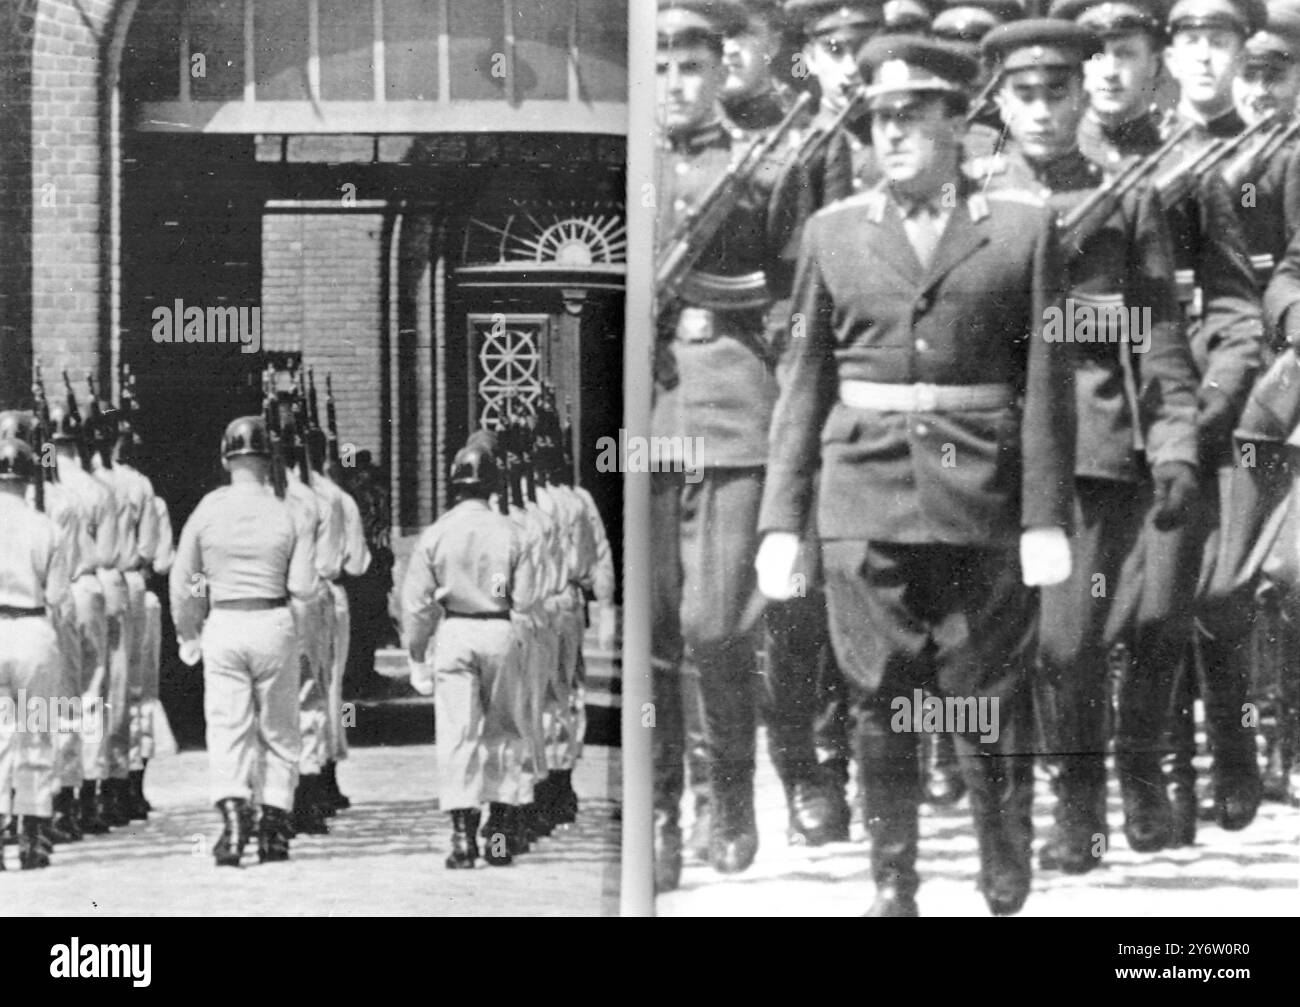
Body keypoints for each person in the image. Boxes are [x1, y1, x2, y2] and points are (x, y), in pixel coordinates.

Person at [755, 34, 1076, 916]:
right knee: (880, 700)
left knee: (988, 699)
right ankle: (892, 886)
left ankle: (1003, 868)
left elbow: (1047, 378)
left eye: (911, 116)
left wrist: (1046, 515)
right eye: (878, 119)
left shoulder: (1021, 228)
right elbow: (804, 379)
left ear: (960, 123)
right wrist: (783, 521)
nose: (891, 134)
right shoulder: (831, 233)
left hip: (984, 495)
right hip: (862, 494)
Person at [978, 15, 1201, 870]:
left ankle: (1082, 806)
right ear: (1000, 100)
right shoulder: (969, 198)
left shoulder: (1128, 197)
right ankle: (1011, 821)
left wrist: (1175, 442)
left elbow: (1158, 335)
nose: (1041, 110)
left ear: (1081, 96)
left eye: (1057, 92)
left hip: (1088, 449)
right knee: (997, 652)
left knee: (1070, 646)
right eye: (1024, 94)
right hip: (985, 454)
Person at [652, 0, 816, 892]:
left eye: (690, 65)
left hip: (726, 413)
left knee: (716, 627)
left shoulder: (764, 168)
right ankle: (663, 811)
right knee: (648, 638)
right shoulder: (615, 169)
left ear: (722, 68)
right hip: (639, 421)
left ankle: (730, 788)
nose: (674, 83)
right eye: (658, 65)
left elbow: (798, 304)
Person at [169, 416, 315, 867]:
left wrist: (190, 629)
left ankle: (233, 823)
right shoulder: (292, 510)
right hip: (273, 618)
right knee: (278, 729)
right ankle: (273, 827)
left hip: (226, 620)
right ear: (269, 457)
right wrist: (302, 642)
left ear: (225, 458)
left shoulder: (208, 509)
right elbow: (304, 586)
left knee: (228, 726)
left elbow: (186, 578)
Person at [401, 442, 534, 869]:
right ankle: (499, 830)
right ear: (493, 485)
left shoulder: (436, 533)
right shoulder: (512, 531)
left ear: (454, 486)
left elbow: (417, 603)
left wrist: (417, 653)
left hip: (455, 629)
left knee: (458, 733)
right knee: (504, 730)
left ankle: (462, 837)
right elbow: (527, 597)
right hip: (499, 626)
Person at [0, 436, 73, 869]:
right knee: (36, 729)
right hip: (32, 628)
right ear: (29, 478)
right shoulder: (46, 526)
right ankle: (33, 831)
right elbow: (59, 596)